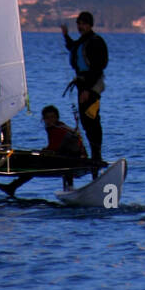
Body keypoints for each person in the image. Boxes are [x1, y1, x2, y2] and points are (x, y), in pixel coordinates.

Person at [0, 106, 87, 197]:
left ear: (57, 118)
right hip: (69, 157)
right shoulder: (57, 127)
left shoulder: (58, 129)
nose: (50, 120)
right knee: (43, 161)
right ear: (43, 119)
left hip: (75, 159)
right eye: (47, 118)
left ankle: (12, 187)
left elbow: (54, 148)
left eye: (52, 117)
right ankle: (69, 186)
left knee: (34, 165)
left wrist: (44, 151)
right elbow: (56, 146)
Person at [61, 12, 108, 176]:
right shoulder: (82, 41)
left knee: (92, 120)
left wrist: (88, 90)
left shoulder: (96, 42)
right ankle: (93, 155)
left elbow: (98, 67)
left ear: (90, 25)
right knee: (85, 121)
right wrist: (66, 36)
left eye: (83, 24)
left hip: (92, 86)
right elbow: (73, 48)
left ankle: (97, 155)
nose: (80, 27)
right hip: (82, 84)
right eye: (79, 24)